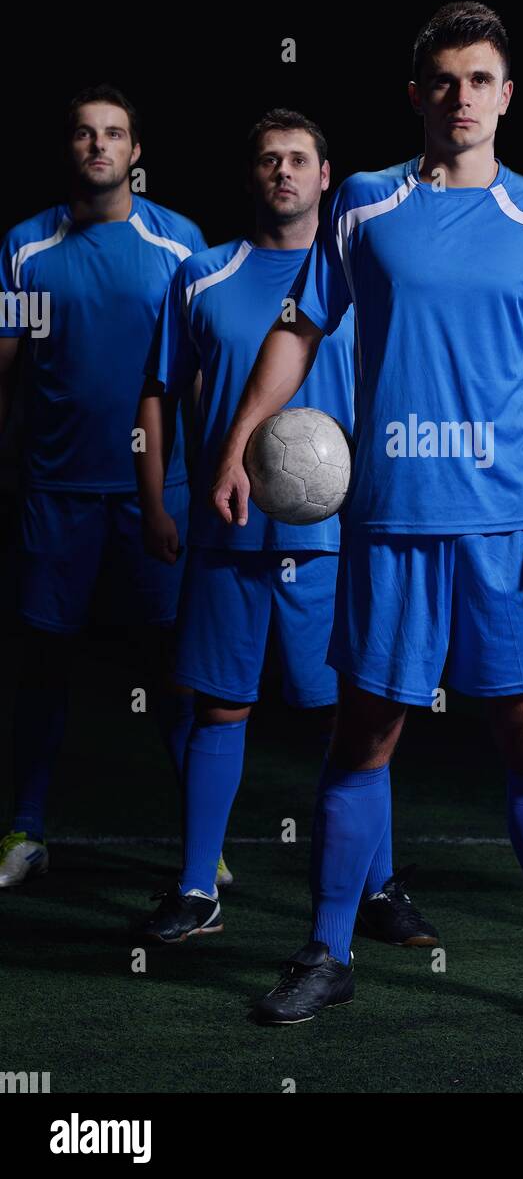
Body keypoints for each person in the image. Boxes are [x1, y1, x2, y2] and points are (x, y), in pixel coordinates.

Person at [212, 2, 523, 1031]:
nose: (461, 97)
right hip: (389, 522)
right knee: (364, 736)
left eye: (480, 79)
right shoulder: (361, 205)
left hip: (507, 525)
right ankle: (329, 949)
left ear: (507, 94)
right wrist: (240, 440)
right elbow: (300, 327)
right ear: (415, 94)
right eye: (443, 80)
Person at [135, 109, 437, 946]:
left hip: (337, 542)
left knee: (352, 722)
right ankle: (198, 890)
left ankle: (376, 891)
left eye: (299, 159)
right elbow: (158, 393)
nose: (283, 173)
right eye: (268, 160)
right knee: (220, 709)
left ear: (326, 176)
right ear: (250, 177)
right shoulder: (201, 274)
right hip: (226, 533)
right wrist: (160, 500)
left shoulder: (365, 274)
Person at [0, 86, 204, 887]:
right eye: (84, 134)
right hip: (56, 496)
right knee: (43, 664)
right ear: (68, 150)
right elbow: (6, 376)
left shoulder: (180, 243)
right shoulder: (22, 247)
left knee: (176, 668)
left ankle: (202, 841)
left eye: (113, 134)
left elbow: (198, 378)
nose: (98, 146)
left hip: (160, 496)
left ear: (135, 152)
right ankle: (25, 829)